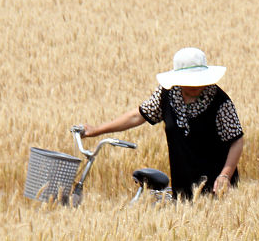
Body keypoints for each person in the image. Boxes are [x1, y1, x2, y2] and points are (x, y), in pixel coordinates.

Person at [80, 47, 245, 199]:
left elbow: (236, 139)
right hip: (182, 183)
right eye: (189, 81)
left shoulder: (219, 101)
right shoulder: (167, 94)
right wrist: (97, 130)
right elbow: (138, 115)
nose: (195, 85)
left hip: (217, 184)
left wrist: (225, 174)